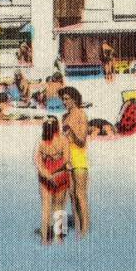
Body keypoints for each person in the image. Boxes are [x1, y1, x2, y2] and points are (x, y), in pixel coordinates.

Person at [34, 116, 71, 245]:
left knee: (46, 208)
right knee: (59, 207)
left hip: (46, 175)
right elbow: (66, 159)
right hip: (61, 174)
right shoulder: (63, 140)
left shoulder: (41, 141)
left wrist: (47, 174)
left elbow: (37, 162)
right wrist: (55, 173)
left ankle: (45, 239)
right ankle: (59, 238)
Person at [59, 86, 90, 237]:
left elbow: (82, 140)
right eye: (62, 99)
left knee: (80, 195)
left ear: (74, 99)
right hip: (67, 158)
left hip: (78, 156)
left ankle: (85, 230)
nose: (64, 102)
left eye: (66, 99)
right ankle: (78, 229)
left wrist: (71, 129)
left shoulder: (81, 115)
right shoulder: (64, 117)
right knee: (71, 195)